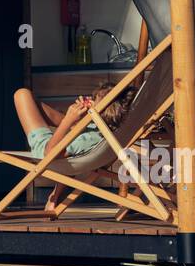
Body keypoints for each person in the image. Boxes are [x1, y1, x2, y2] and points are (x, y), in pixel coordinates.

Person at [10, 84, 130, 212]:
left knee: (22, 94)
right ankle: (55, 197)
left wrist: (68, 120)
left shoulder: (88, 139)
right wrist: (81, 120)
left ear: (105, 109)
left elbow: (49, 153)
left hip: (46, 147)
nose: (90, 99)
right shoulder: (110, 130)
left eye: (95, 99)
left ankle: (55, 197)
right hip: (74, 147)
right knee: (32, 101)